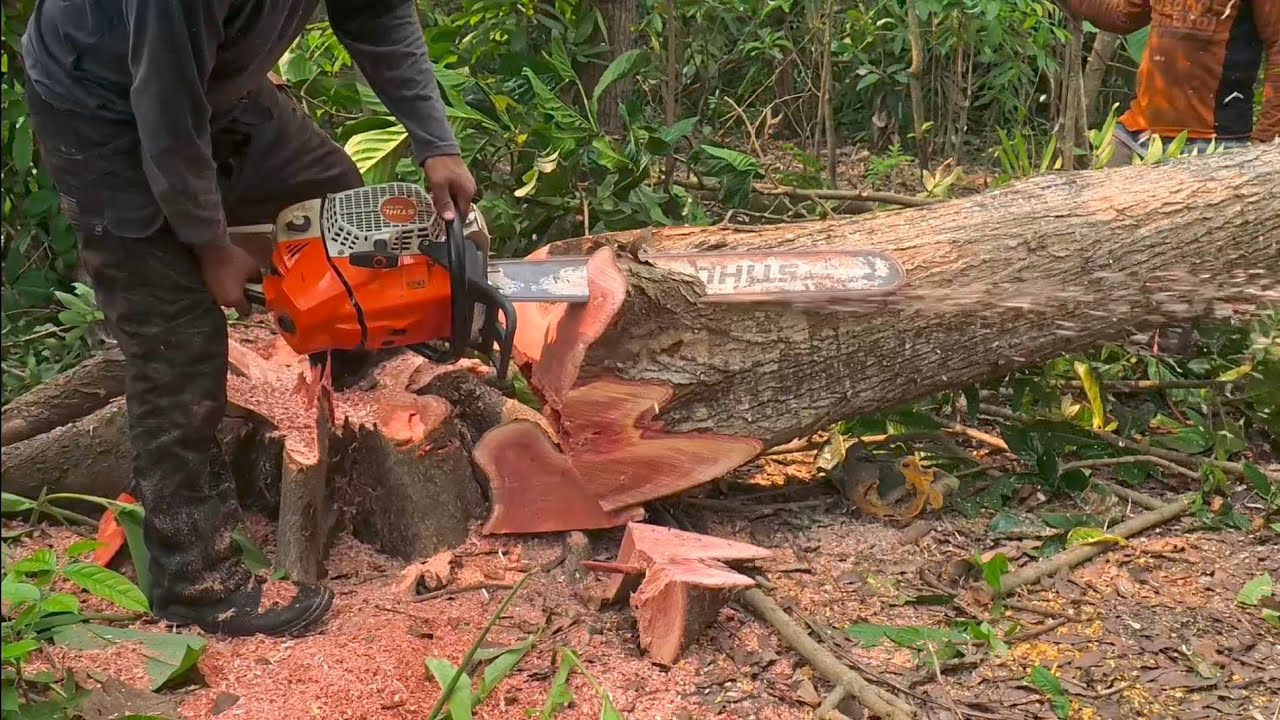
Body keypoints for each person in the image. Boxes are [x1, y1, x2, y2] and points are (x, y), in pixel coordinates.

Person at [21, 0, 476, 637]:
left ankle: (348, 354)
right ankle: (195, 579)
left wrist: (436, 142)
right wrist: (210, 248)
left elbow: (376, 16)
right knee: (175, 338)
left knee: (334, 203)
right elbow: (166, 111)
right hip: (102, 105)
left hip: (216, 84)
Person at [1061, 0, 1278, 167]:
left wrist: (1266, 140)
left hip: (1212, 140)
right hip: (1138, 130)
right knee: (1099, 214)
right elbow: (1123, 14)